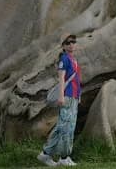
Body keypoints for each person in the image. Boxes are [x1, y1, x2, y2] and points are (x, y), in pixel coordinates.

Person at [38, 34, 82, 167]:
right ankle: (64, 157)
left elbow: (77, 80)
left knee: (66, 126)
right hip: (67, 96)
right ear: (63, 46)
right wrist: (61, 96)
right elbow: (61, 78)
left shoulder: (74, 60)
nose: (71, 45)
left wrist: (78, 95)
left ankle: (46, 154)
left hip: (73, 96)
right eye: (68, 43)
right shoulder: (64, 59)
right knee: (66, 127)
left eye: (73, 42)